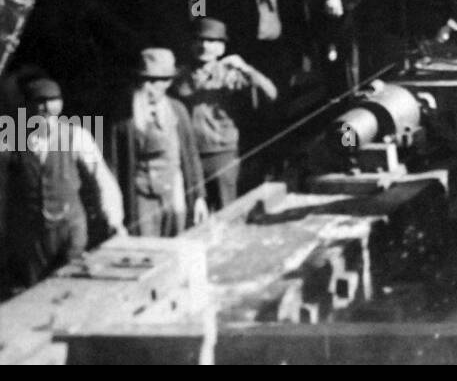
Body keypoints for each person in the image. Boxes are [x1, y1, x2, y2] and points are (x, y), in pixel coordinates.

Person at [1, 76, 124, 291]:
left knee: (71, 286)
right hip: (31, 238)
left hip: (70, 230)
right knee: (33, 293)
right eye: (40, 108)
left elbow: (102, 179)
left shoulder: (77, 136)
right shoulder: (10, 140)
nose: (46, 115)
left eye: (52, 107)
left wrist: (114, 218)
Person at [175, 16, 278, 210]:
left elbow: (271, 93)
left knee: (227, 210)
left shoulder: (230, 73)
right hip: (190, 154)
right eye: (200, 40)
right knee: (195, 214)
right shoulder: (180, 76)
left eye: (213, 41)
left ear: (222, 48)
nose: (205, 46)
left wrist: (246, 69)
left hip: (222, 154)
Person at [107, 48, 207, 237]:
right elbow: (113, 164)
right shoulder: (124, 119)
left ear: (168, 82)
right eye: (145, 81)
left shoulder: (177, 110)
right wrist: (115, 212)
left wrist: (199, 197)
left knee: (177, 240)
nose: (149, 88)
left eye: (157, 81)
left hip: (173, 190)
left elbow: (191, 156)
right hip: (141, 195)